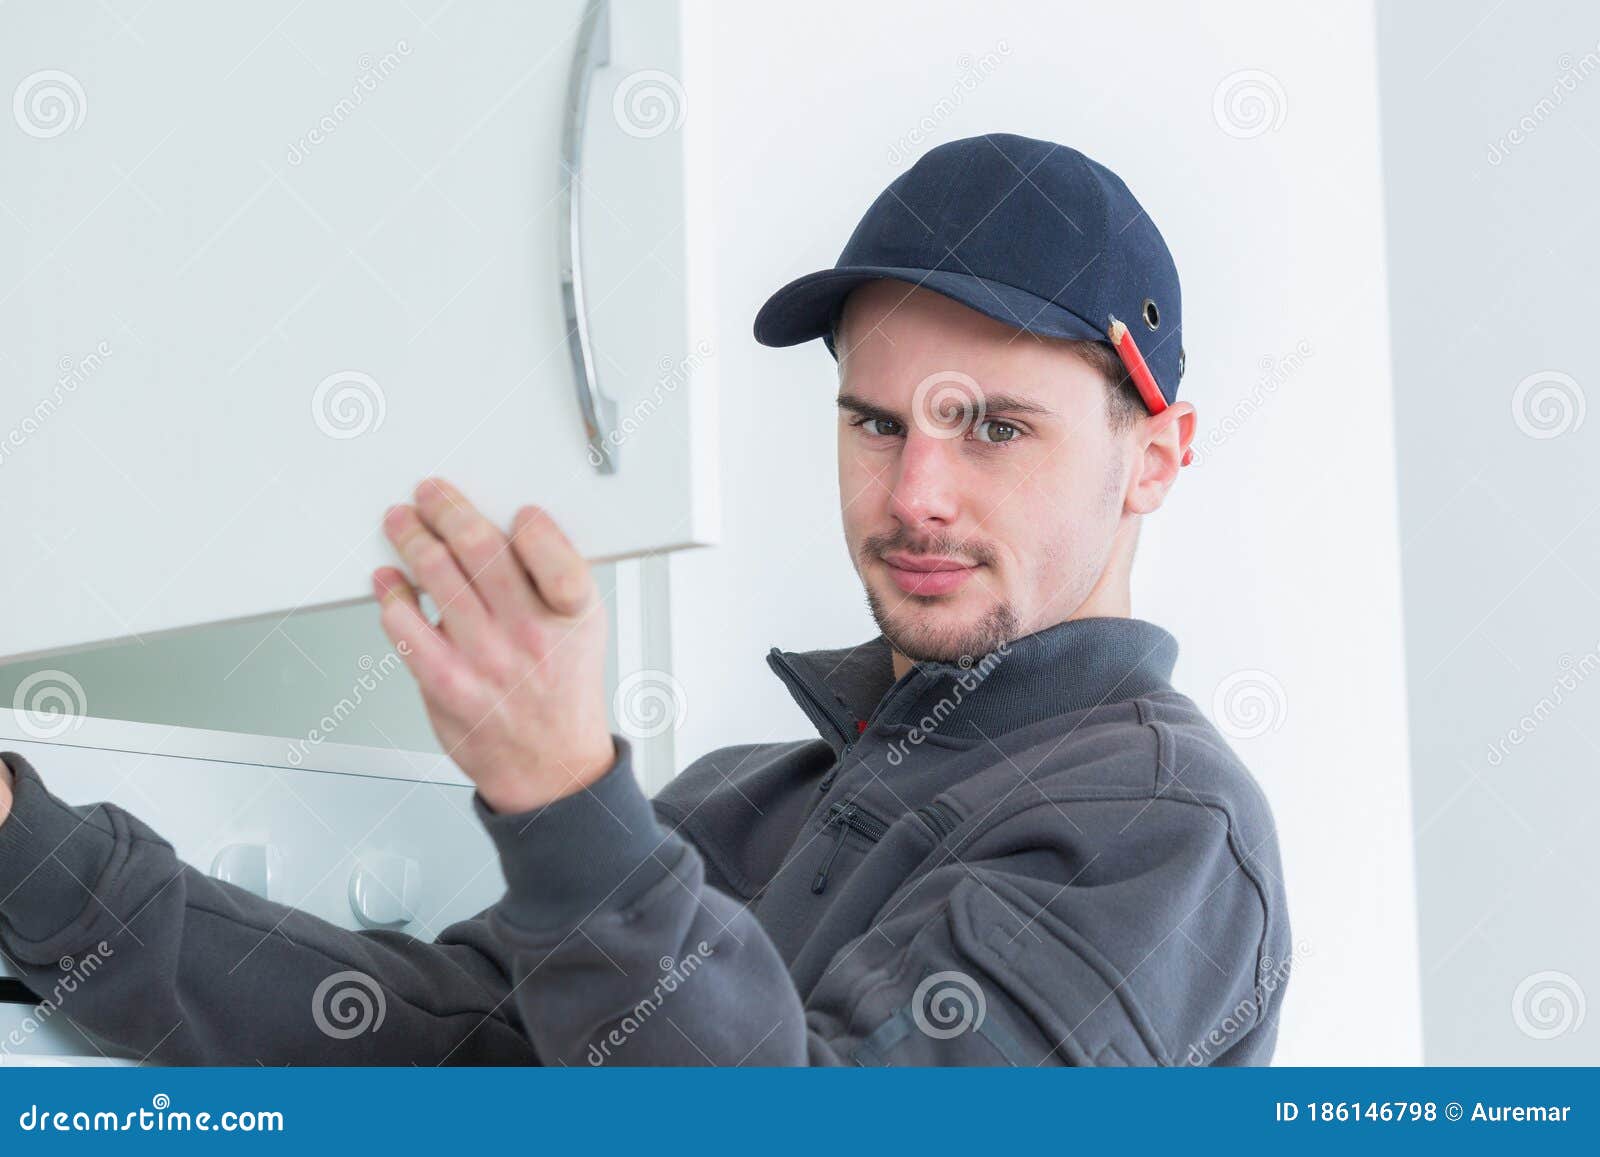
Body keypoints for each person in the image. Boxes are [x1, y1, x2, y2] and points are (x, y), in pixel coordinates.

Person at [0, 133, 1289, 1066]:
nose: (919, 495)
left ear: (1156, 457)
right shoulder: (750, 802)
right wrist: (26, 846)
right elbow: (436, 1049)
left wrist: (567, 803)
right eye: (877, 423)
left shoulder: (1161, 832)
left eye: (996, 429)